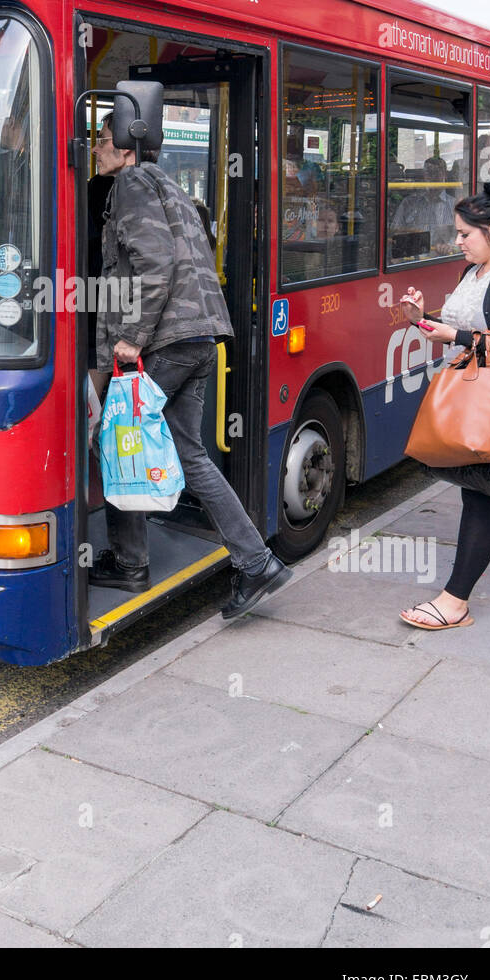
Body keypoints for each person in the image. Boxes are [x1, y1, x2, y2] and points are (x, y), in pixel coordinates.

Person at [90, 113, 293, 621]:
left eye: (100, 139)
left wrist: (131, 340)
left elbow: (156, 266)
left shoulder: (133, 183)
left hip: (165, 340)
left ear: (126, 147)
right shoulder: (169, 186)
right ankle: (256, 561)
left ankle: (132, 562)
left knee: (117, 440)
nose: (94, 147)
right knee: (188, 453)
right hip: (198, 336)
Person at [399, 180, 490, 628]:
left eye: (464, 234)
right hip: (481, 400)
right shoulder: (473, 271)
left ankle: (454, 601)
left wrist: (455, 336)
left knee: (480, 495)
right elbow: (461, 329)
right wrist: (421, 319)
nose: (458, 242)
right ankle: (454, 601)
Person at [389, 156, 455, 256]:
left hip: (442, 260)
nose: (432, 177)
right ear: (424, 176)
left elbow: (462, 236)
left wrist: (450, 246)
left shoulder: (454, 205)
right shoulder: (408, 203)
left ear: (445, 175)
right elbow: (394, 233)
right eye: (428, 173)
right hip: (410, 261)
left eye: (436, 172)